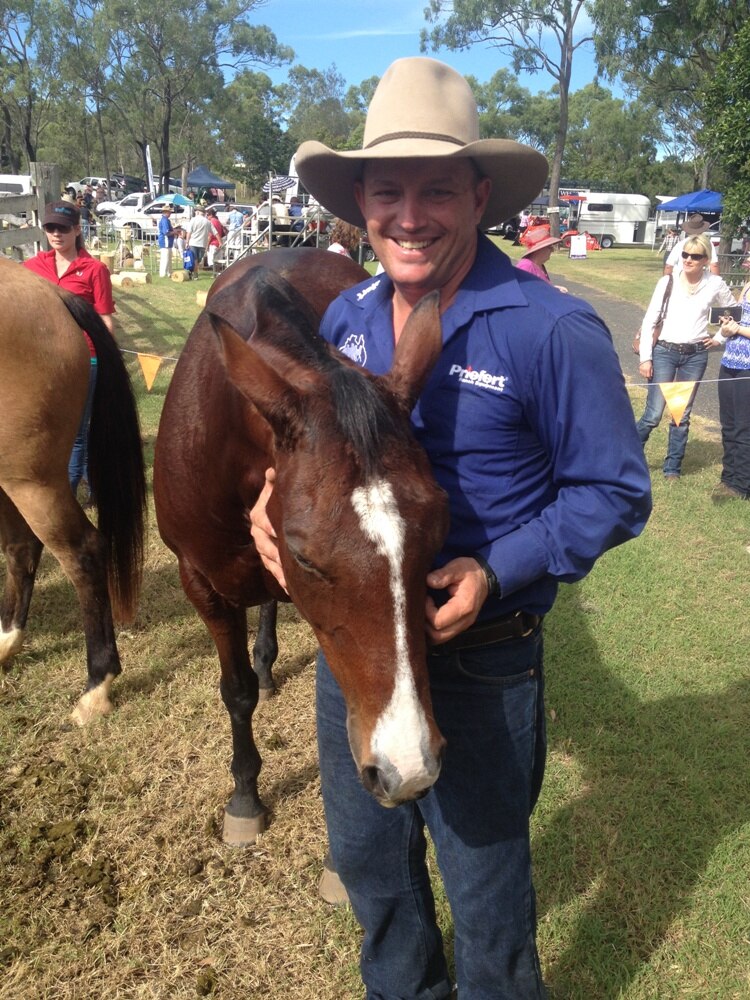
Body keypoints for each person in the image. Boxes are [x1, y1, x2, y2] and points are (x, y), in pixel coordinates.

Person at [249, 56, 652, 1000]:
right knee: (373, 876)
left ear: (479, 197)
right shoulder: (344, 320)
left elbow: (615, 491)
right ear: (360, 201)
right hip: (358, 647)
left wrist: (496, 570)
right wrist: (271, 511)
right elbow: (308, 456)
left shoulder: (551, 332)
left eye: (437, 189)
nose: (410, 214)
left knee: (488, 903)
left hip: (480, 659)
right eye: (388, 190)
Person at [23, 200, 116, 502]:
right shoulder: (33, 266)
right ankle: (91, 480)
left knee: (76, 429)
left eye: (63, 228)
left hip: (83, 357)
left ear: (77, 229)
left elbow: (104, 317)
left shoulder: (94, 269)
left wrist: (105, 360)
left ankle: (71, 493)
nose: (56, 234)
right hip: (42, 359)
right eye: (50, 227)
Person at [637, 232, 737, 480]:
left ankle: (672, 468)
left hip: (694, 355)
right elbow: (650, 320)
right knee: (653, 414)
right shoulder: (667, 282)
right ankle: (627, 458)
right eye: (685, 254)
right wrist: (645, 358)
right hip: (664, 352)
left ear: (706, 259)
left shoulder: (715, 284)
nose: (688, 259)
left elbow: (734, 314)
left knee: (680, 414)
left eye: (695, 256)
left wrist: (719, 338)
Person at [714, 257, 750, 499]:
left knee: (743, 427)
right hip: (729, 362)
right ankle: (728, 477)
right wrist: (728, 324)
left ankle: (742, 484)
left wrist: (738, 329)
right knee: (728, 424)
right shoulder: (747, 285)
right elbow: (740, 319)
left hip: (747, 367)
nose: (746, 259)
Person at [184, 206, 211, 270]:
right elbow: (214, 233)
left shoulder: (193, 220)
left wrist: (187, 242)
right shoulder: (207, 221)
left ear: (198, 212)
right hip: (202, 243)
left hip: (193, 242)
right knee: (198, 259)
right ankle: (194, 273)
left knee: (195, 259)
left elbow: (189, 232)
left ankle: (193, 271)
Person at [158, 204, 176, 278]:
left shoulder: (166, 220)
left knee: (168, 258)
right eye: (169, 212)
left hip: (167, 242)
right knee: (165, 258)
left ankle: (169, 273)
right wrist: (174, 232)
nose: (170, 213)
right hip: (165, 241)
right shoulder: (165, 220)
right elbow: (166, 232)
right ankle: (163, 274)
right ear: (166, 212)